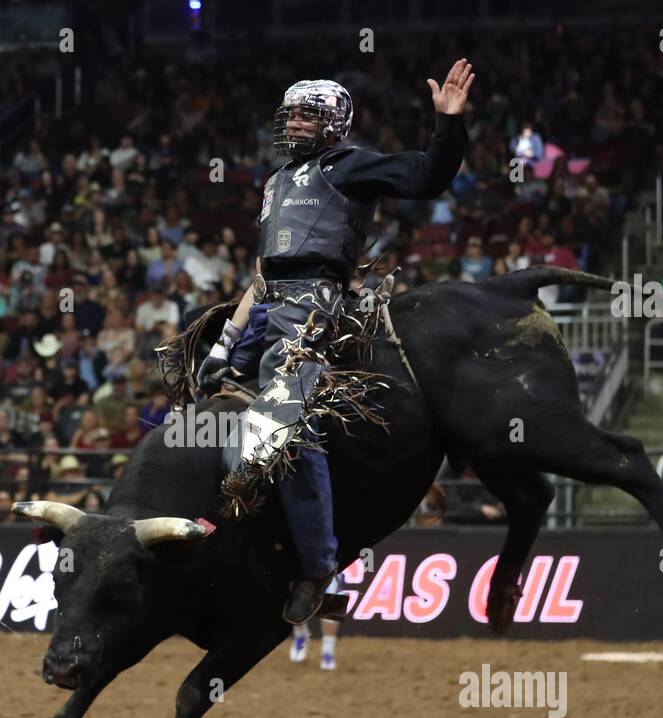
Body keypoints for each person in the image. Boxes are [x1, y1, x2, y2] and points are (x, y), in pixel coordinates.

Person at [197, 62, 473, 623]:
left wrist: (447, 126)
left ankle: (319, 568)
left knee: (278, 429)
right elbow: (260, 277)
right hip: (266, 306)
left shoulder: (348, 164)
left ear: (335, 122)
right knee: (201, 412)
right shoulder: (274, 184)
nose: (296, 122)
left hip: (314, 306)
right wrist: (226, 342)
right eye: (292, 113)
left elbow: (425, 177)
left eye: (308, 114)